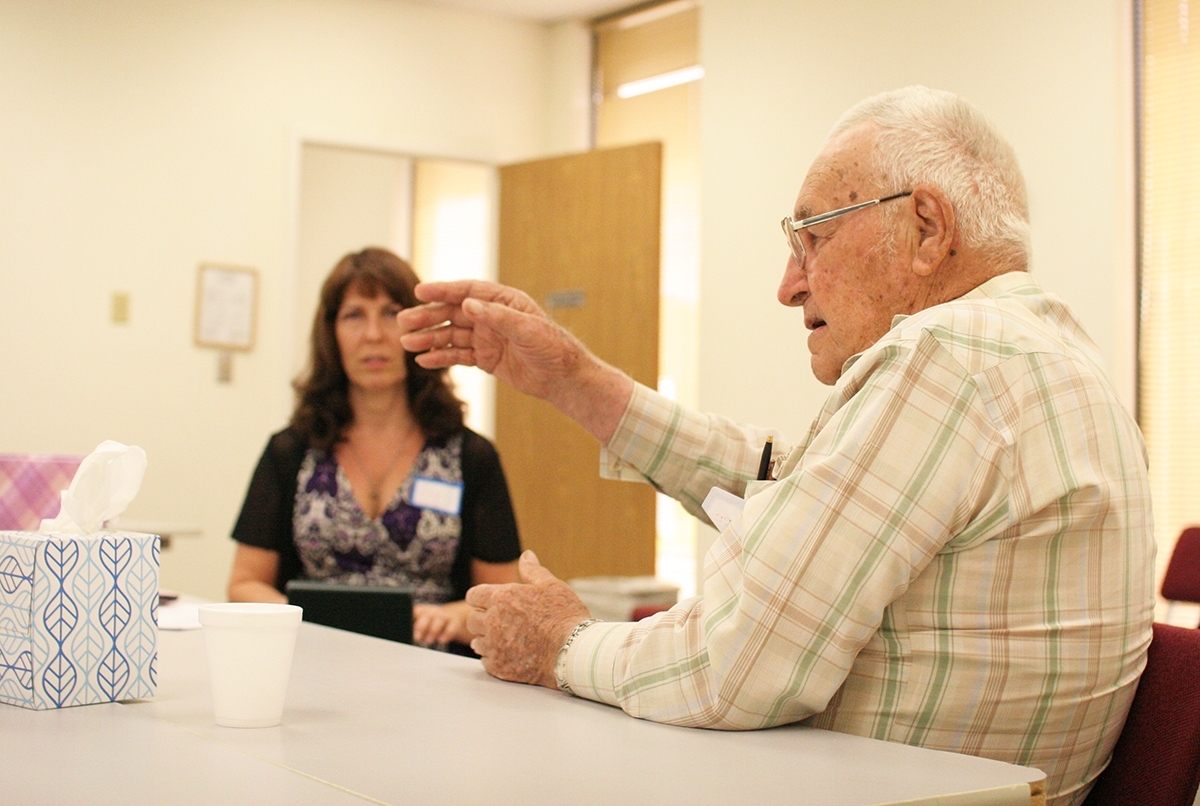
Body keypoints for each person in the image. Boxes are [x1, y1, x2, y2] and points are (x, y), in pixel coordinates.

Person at [397, 87, 1155, 804]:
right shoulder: (1035, 351)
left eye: (814, 237)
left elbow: (733, 667)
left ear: (926, 229)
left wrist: (563, 643)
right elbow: (795, 488)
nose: (790, 285)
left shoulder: (948, 358)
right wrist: (577, 381)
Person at [227, 247, 522, 651]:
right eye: (354, 315)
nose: (373, 335)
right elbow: (243, 585)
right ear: (331, 333)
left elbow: (505, 600)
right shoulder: (291, 451)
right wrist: (304, 618)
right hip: (312, 662)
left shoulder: (471, 457)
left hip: (434, 675)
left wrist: (451, 618)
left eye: (390, 313)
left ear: (420, 327)